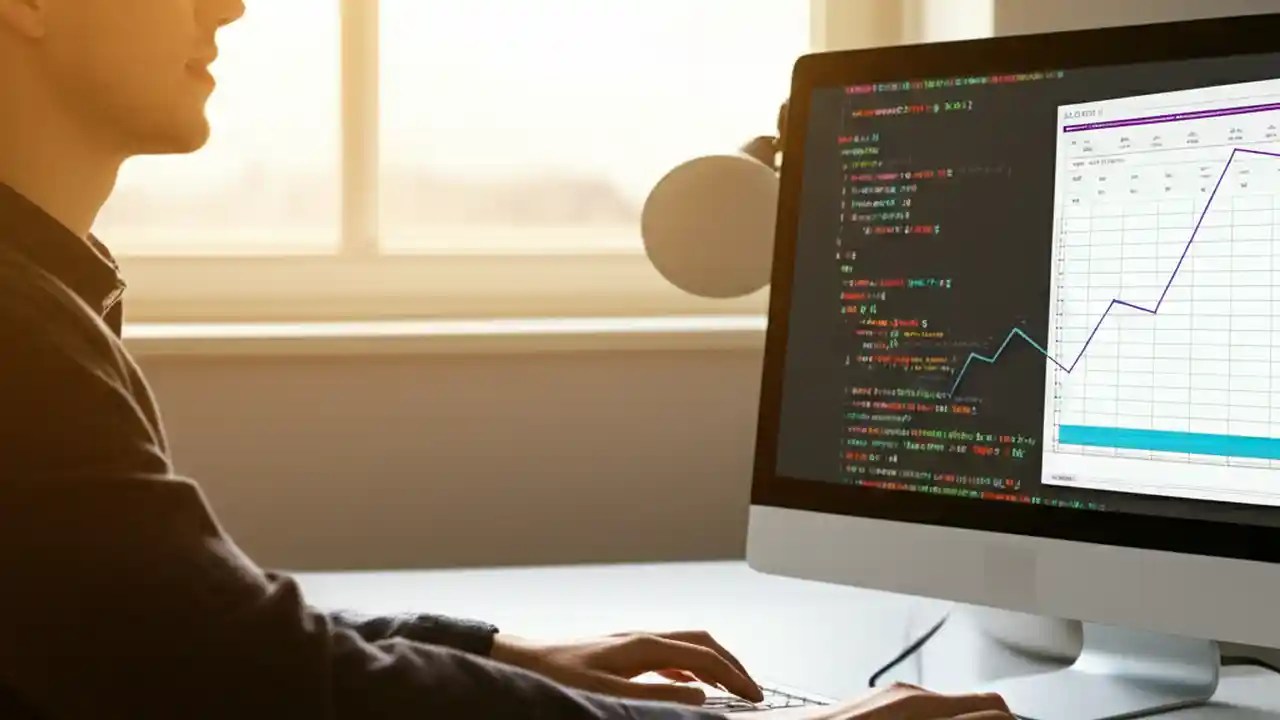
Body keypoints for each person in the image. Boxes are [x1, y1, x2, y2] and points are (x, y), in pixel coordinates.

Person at [0, 1, 1015, 718]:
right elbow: (247, 683)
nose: (226, 7)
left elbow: (182, 621)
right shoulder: (20, 334)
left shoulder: (41, 294)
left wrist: (495, 648)